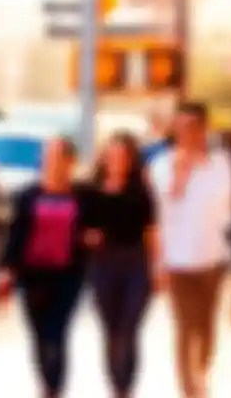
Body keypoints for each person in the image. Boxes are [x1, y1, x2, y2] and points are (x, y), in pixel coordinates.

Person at [147, 101, 231, 398]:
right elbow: (159, 216)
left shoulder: (221, 165)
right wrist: (179, 177)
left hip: (213, 259)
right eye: (180, 127)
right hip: (177, 262)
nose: (186, 134)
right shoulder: (161, 166)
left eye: (192, 128)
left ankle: (201, 374)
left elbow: (228, 211)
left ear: (203, 129)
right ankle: (190, 390)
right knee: (186, 329)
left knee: (207, 329)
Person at [2, 136, 95, 398]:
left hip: (68, 276)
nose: (50, 162)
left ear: (69, 161)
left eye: (57, 157)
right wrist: (7, 270)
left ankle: (54, 389)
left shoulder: (82, 196)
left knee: (57, 333)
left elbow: (94, 225)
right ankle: (46, 383)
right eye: (47, 156)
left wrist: (90, 238)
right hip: (33, 276)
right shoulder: (27, 196)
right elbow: (16, 233)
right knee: (40, 335)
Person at [85, 131, 159, 398]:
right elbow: (80, 228)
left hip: (135, 264)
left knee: (128, 329)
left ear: (130, 160)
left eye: (122, 156)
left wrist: (157, 269)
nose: (116, 160)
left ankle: (126, 388)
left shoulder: (140, 192)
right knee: (111, 330)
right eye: (112, 155)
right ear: (104, 158)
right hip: (103, 266)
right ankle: (115, 385)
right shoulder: (90, 191)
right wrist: (88, 236)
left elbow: (152, 231)